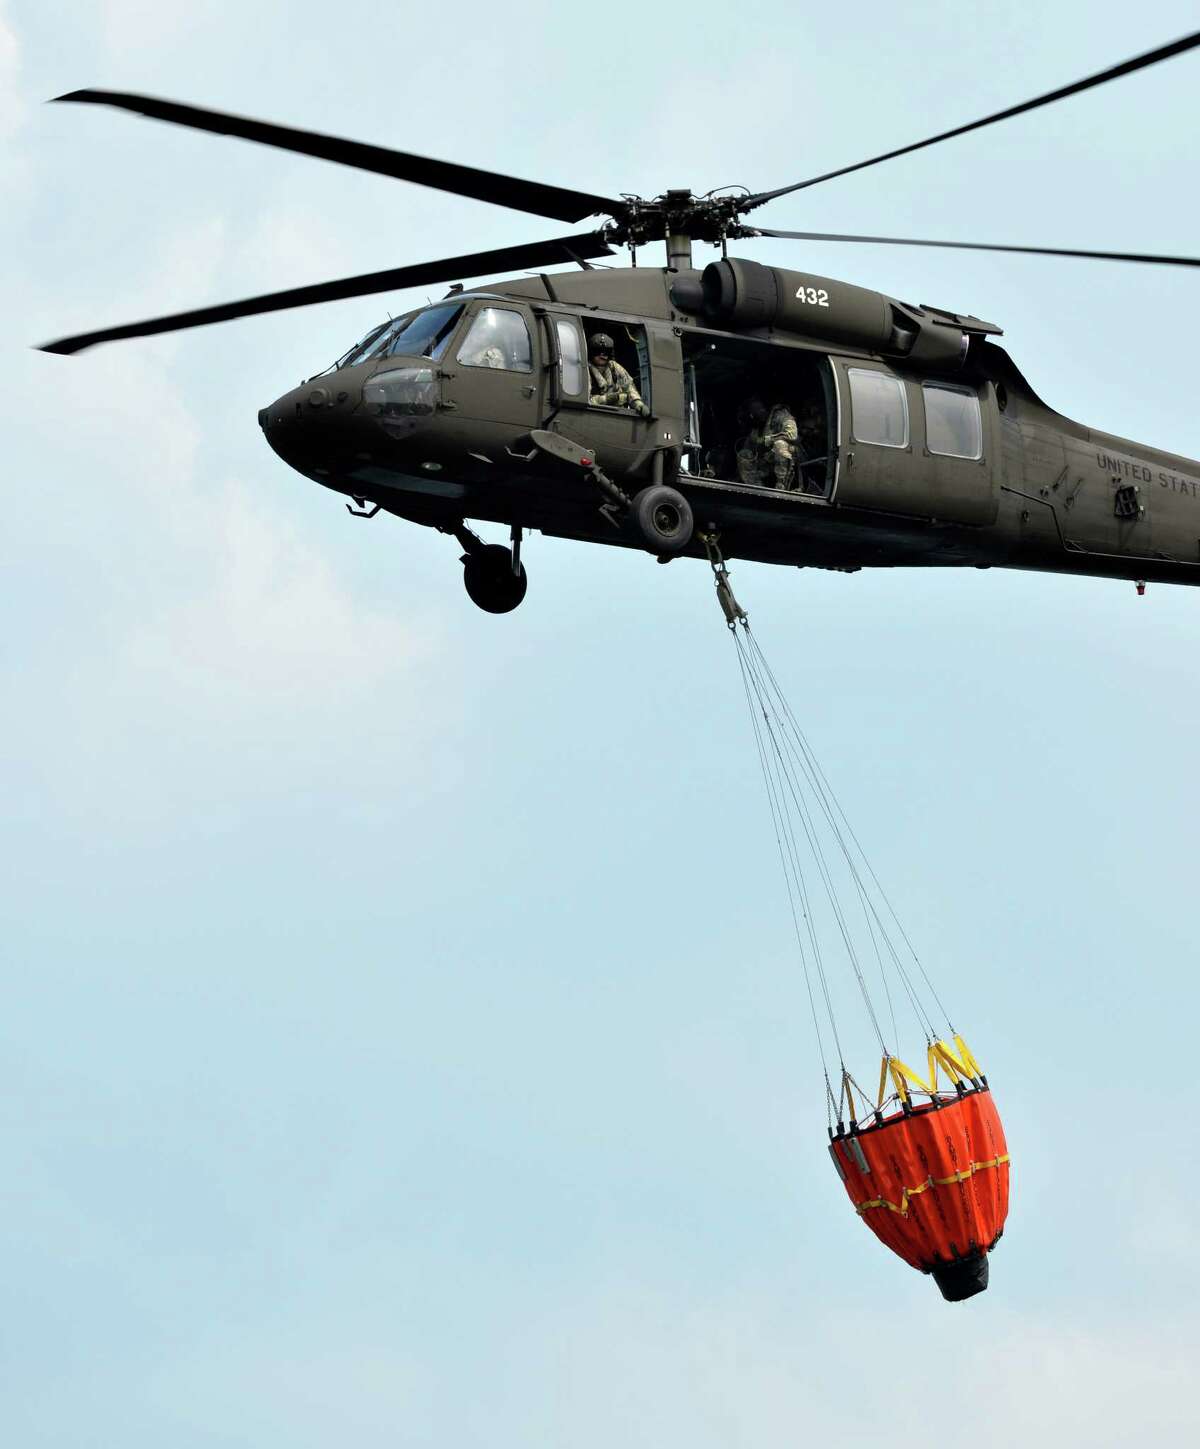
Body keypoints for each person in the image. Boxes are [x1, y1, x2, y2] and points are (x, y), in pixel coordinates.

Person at [736, 394, 798, 490]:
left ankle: (781, 488)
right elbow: (748, 448)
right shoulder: (757, 427)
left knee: (780, 444)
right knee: (744, 454)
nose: (756, 413)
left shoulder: (780, 415)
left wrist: (769, 441)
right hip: (767, 463)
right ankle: (756, 489)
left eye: (759, 409)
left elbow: (792, 436)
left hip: (789, 459)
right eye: (753, 411)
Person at [588, 333, 649, 416]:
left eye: (606, 352)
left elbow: (629, 387)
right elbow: (585, 401)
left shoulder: (614, 367)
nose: (602, 355)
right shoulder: (586, 369)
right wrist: (608, 399)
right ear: (591, 352)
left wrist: (638, 404)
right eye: (598, 351)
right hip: (593, 413)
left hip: (616, 414)